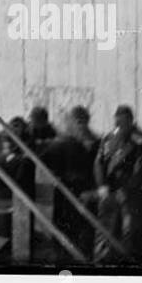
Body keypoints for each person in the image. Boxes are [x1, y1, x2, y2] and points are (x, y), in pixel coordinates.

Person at [93, 105, 142, 262]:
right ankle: (102, 258)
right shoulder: (108, 139)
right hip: (109, 191)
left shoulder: (139, 141)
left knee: (129, 229)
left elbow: (140, 170)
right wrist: (102, 185)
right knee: (104, 227)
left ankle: (125, 260)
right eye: (118, 122)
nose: (120, 126)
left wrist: (126, 190)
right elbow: (99, 163)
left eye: (125, 122)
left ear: (131, 122)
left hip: (130, 192)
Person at [43, 106, 99, 258]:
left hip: (86, 195)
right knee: (66, 236)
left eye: (83, 121)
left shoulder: (96, 143)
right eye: (77, 121)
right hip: (66, 196)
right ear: (71, 122)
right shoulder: (60, 143)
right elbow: (46, 163)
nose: (81, 126)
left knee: (85, 235)